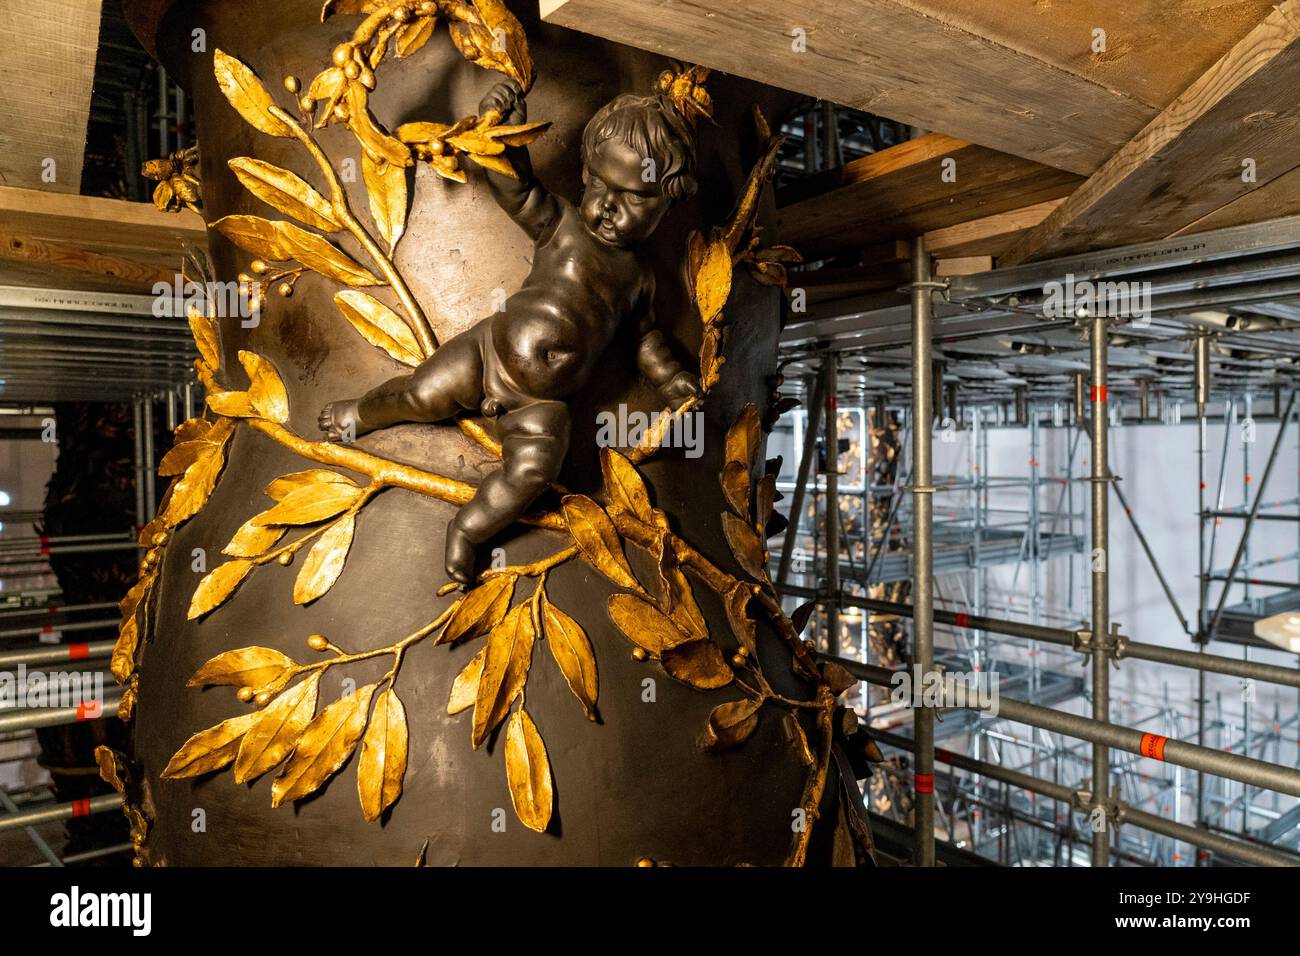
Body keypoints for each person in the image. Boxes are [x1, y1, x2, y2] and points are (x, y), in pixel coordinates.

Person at [320, 78, 701, 584]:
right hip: (488, 354)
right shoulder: (563, 225)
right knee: (420, 394)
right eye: (600, 187)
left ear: (666, 206)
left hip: (545, 405)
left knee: (536, 472)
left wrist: (672, 379)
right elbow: (517, 190)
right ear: (585, 176)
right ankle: (361, 413)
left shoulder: (640, 280)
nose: (609, 207)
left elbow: (645, 339)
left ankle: (469, 530)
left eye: (633, 198)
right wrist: (497, 132)